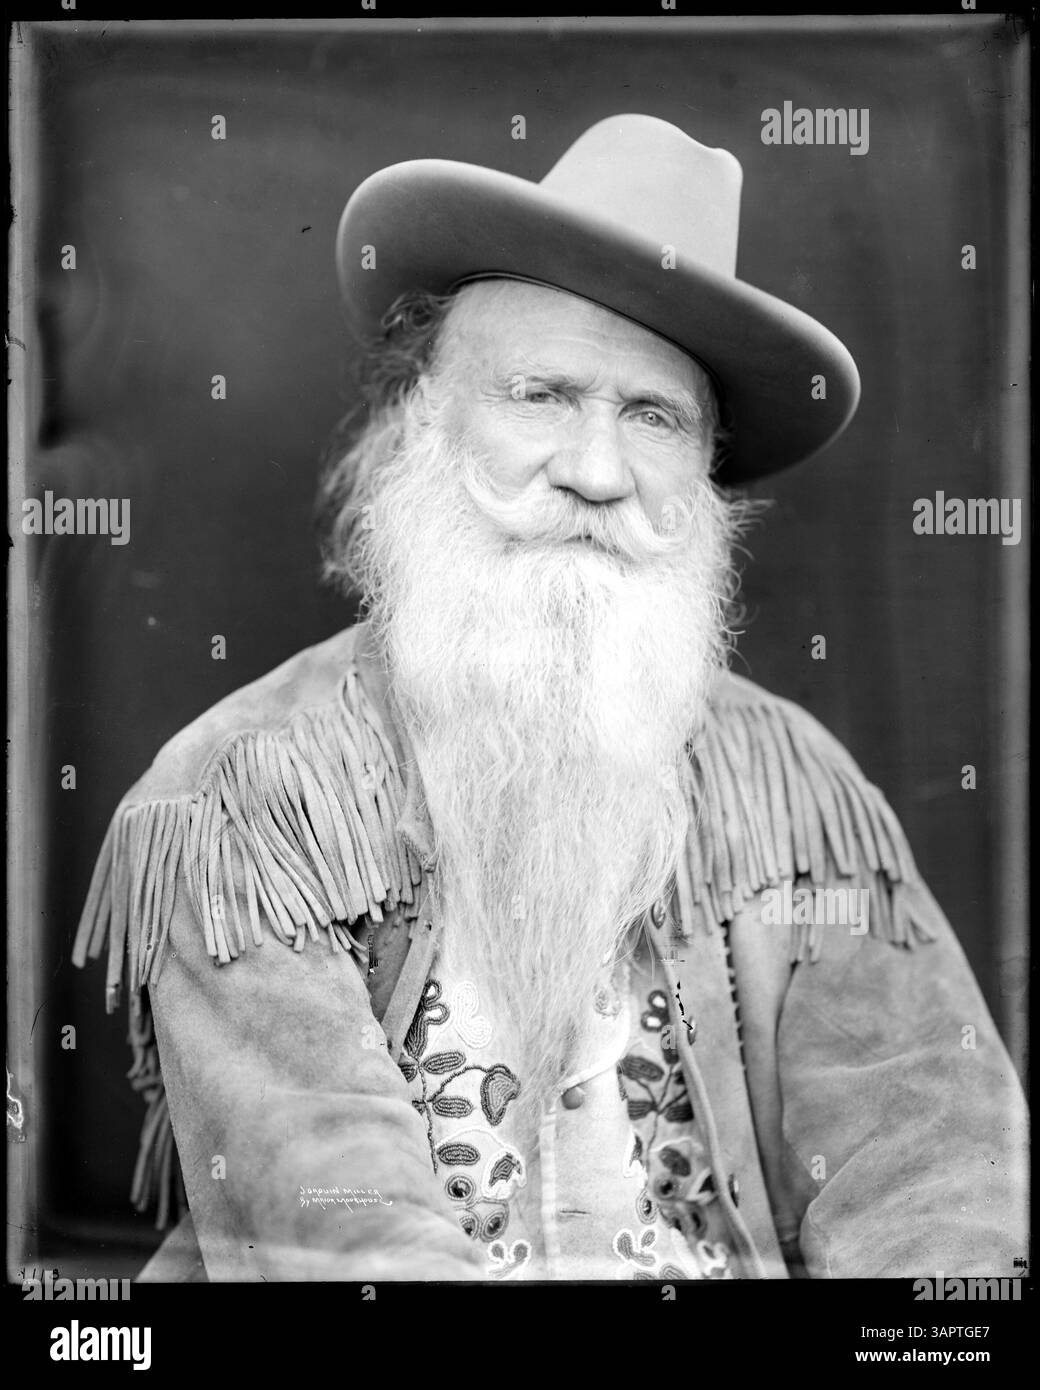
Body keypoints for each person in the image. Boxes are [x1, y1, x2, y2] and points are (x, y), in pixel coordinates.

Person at [74, 114, 1027, 1282]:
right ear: (423, 419)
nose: (595, 469)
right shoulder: (245, 798)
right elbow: (328, 1225)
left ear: (703, 475)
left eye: (652, 415)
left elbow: (930, 1168)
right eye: (540, 393)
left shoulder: (795, 792)